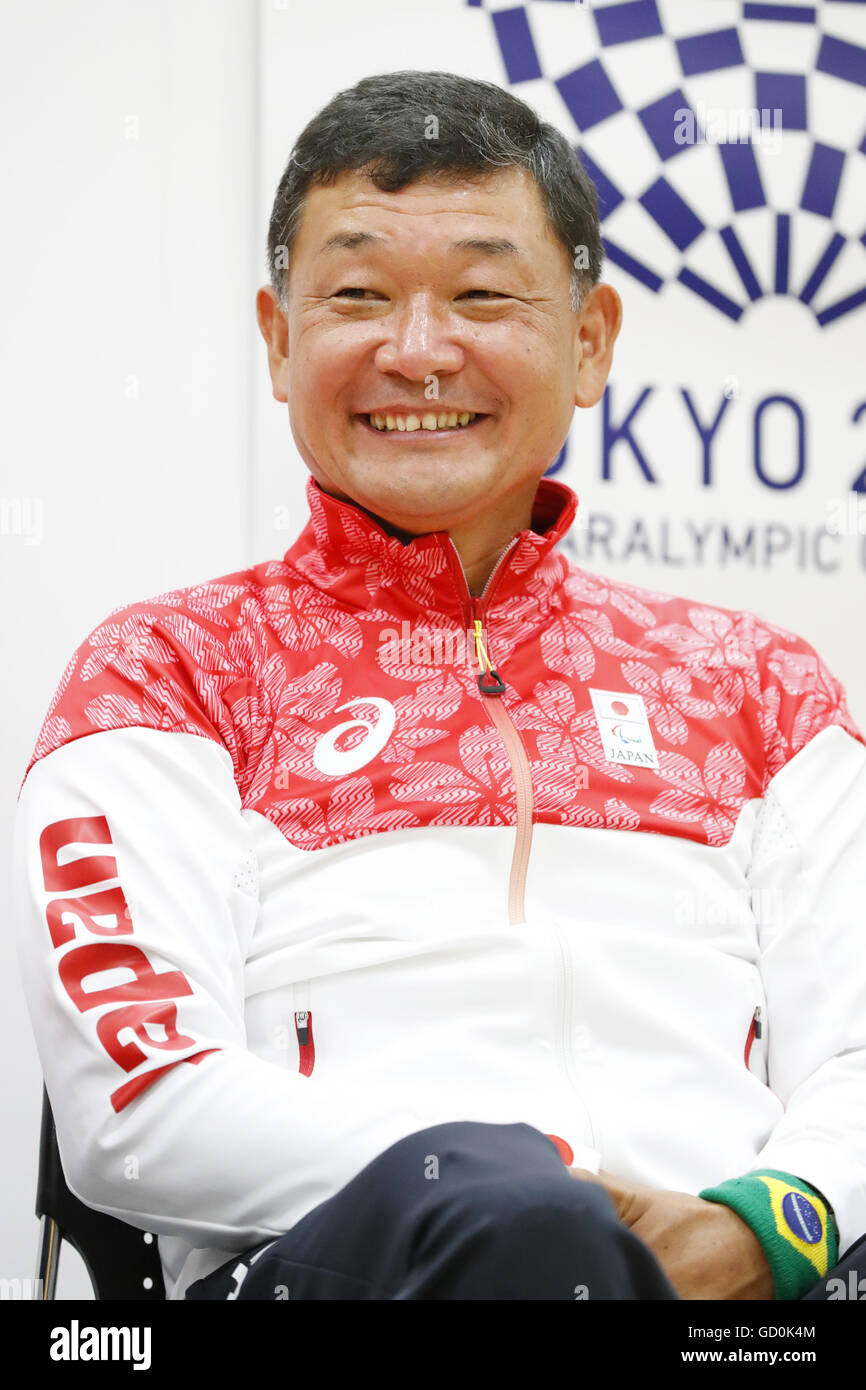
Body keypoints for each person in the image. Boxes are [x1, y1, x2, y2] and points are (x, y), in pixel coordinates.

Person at [12, 71, 866, 1302]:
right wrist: (530, 1197)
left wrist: (763, 1229)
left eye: (480, 296)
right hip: (345, 1275)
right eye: (356, 295)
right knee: (523, 1243)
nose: (417, 353)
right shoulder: (168, 670)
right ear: (277, 339)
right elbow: (141, 1100)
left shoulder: (764, 688)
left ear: (587, 344)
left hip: (742, 1293)